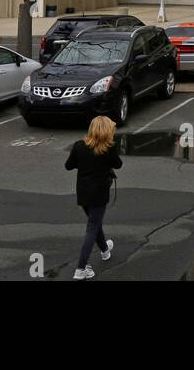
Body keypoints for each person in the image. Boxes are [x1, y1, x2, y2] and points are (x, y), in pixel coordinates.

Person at [65, 115, 122, 280]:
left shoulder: (79, 146)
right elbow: (118, 164)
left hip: (83, 193)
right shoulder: (108, 148)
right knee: (92, 227)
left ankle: (104, 250)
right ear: (106, 132)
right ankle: (81, 268)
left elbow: (68, 166)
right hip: (99, 194)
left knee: (94, 222)